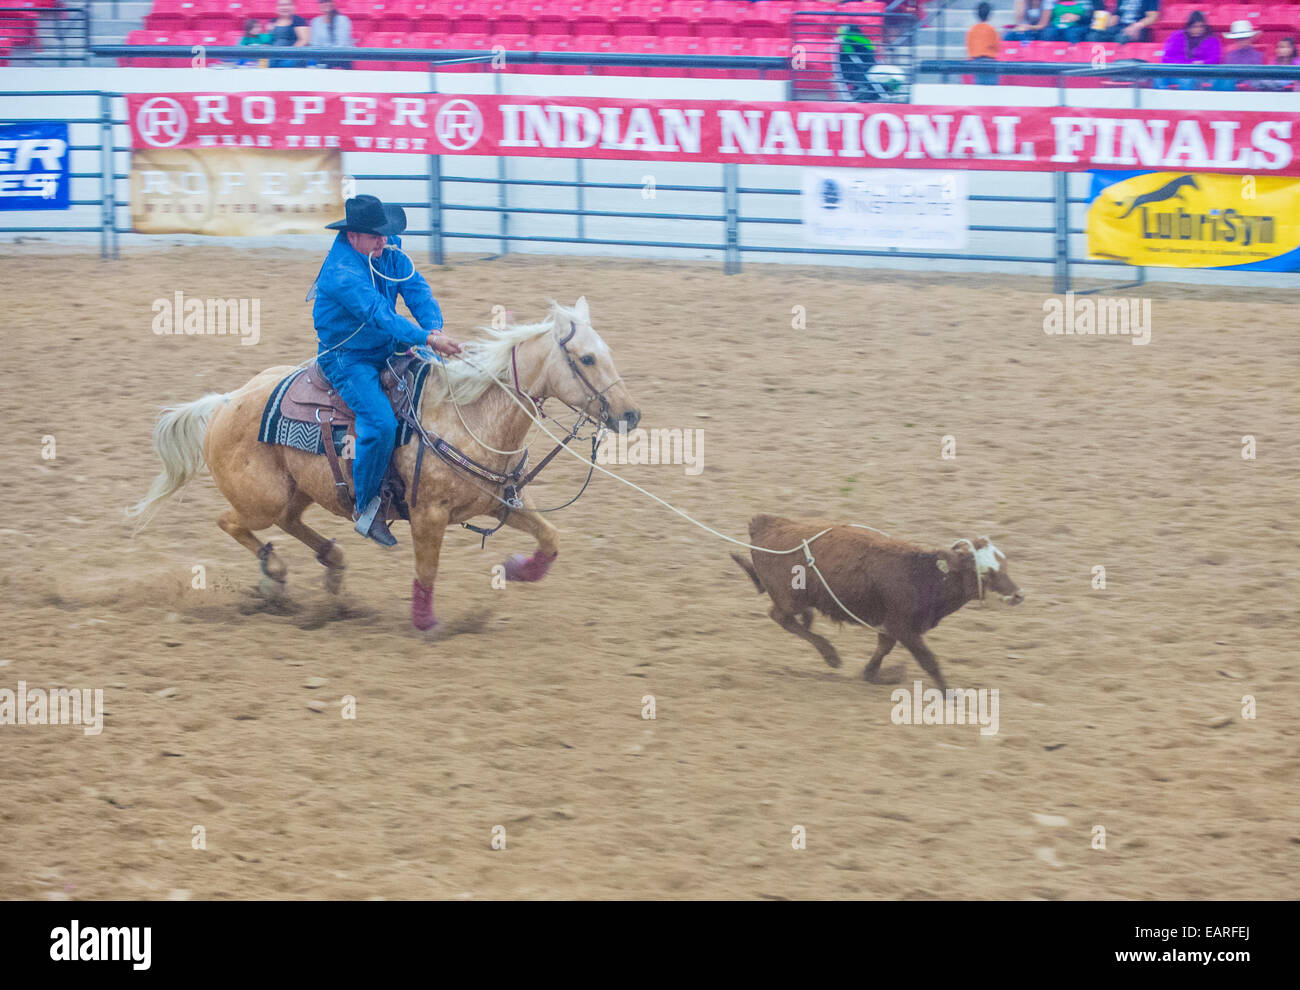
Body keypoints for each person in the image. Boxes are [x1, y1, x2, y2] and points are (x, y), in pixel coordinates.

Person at [313, 195, 463, 547]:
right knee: (380, 423)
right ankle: (366, 506)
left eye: (385, 233)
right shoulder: (341, 273)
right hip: (348, 357)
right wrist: (426, 338)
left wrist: (434, 329)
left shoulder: (388, 250)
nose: (385, 240)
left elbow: (416, 290)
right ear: (353, 237)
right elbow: (380, 314)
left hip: (387, 345)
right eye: (376, 235)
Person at [1160, 10, 1220, 89]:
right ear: (1188, 26)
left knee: (1186, 80)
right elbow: (1166, 58)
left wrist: (1203, 63)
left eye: (1201, 26)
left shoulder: (1212, 39)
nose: (1198, 30)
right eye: (1194, 27)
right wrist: (1188, 64)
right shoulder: (1177, 36)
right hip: (1177, 72)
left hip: (1201, 75)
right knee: (1159, 77)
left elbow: (1215, 59)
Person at [1215, 19, 1263, 89]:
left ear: (1250, 38)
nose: (1241, 41)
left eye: (1244, 38)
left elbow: (1255, 77)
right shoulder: (1229, 56)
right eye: (1238, 39)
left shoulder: (1258, 56)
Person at [1086, 0, 1159, 43]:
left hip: (1140, 28)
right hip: (1120, 27)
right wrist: (1103, 22)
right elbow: (1117, 16)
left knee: (1120, 38)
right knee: (1093, 36)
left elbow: (1152, 17)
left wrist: (1136, 26)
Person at [310, 0, 353, 69]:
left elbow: (341, 46)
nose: (325, 4)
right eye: (322, 2)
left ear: (333, 3)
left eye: (328, 1)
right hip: (322, 59)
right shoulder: (315, 21)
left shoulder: (342, 20)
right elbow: (314, 44)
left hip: (341, 59)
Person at [967, 2, 1000, 84]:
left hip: (976, 61)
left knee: (979, 85)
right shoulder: (992, 29)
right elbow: (997, 46)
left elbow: (970, 46)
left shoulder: (972, 29)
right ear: (989, 15)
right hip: (990, 61)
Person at [269, 0, 309, 67]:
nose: (284, 7)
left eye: (287, 4)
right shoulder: (273, 21)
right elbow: (270, 40)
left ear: (293, 7)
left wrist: (289, 54)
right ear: (277, 7)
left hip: (293, 56)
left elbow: (304, 40)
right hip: (274, 55)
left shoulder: (298, 20)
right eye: (281, 5)